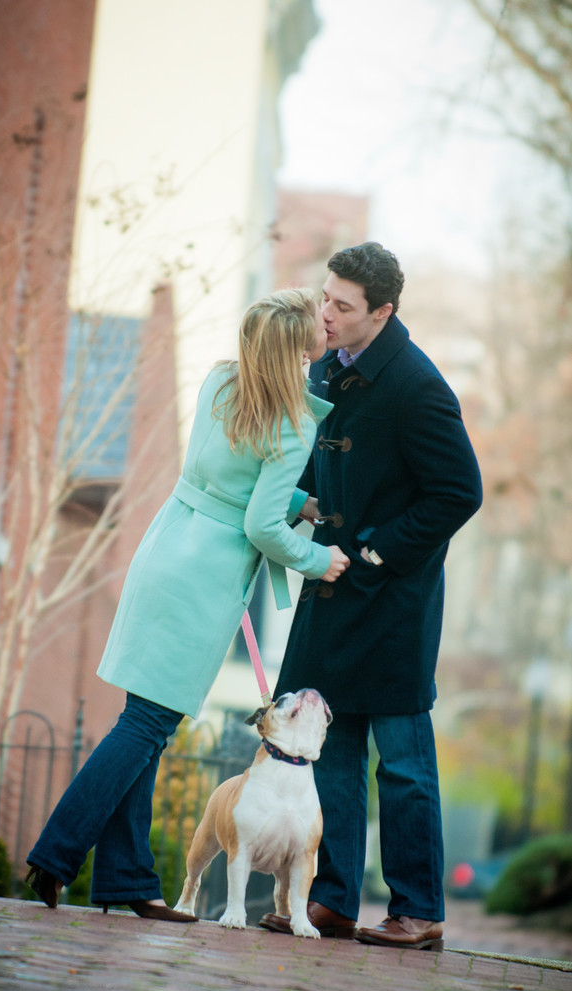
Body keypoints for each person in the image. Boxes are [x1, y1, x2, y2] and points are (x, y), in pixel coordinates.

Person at [25, 288, 349, 920]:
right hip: (206, 576)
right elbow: (258, 525)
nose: (326, 324)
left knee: (144, 726)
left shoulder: (221, 384)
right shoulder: (293, 424)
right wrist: (318, 558)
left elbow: (228, 478)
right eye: (317, 320)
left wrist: (297, 504)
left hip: (167, 545)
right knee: (145, 726)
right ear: (298, 347)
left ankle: (129, 881)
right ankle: (55, 854)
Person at [260, 243, 483, 950]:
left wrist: (377, 550)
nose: (324, 314)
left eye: (341, 306)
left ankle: (418, 908)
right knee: (330, 753)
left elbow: (459, 491)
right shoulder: (325, 369)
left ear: (382, 312)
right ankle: (329, 900)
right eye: (324, 298)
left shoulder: (417, 385)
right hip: (330, 587)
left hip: (392, 599)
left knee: (405, 762)